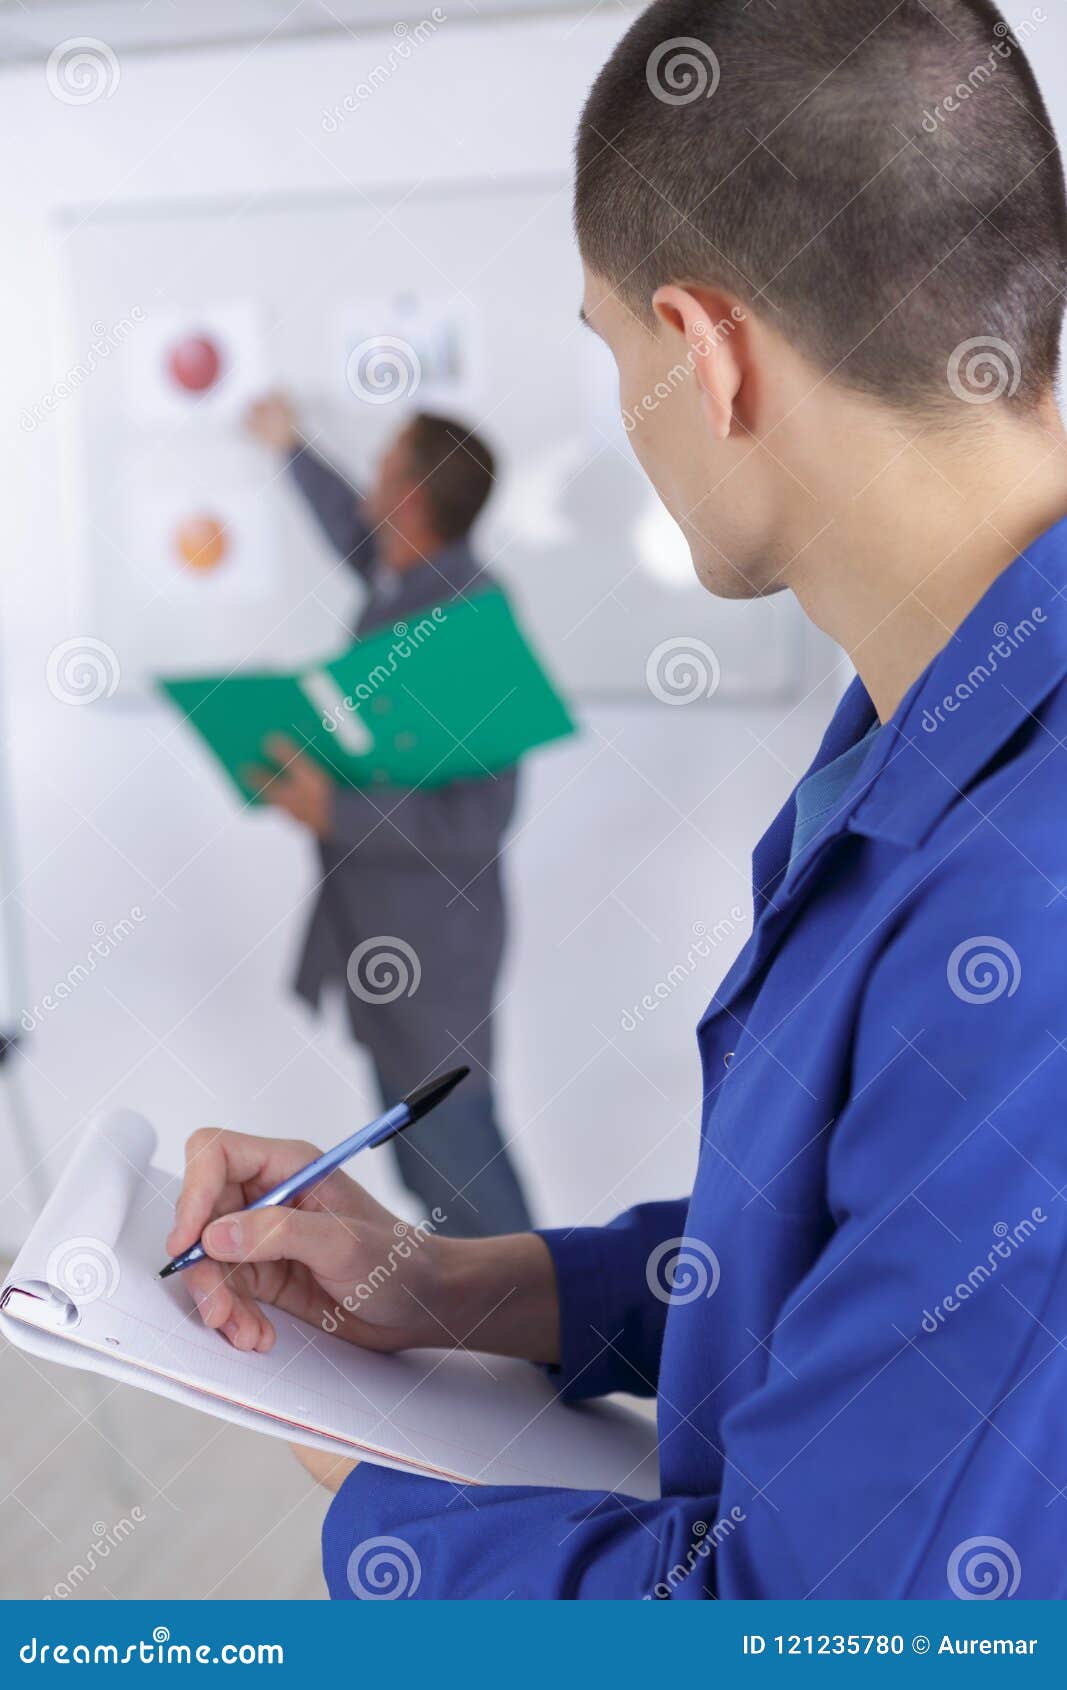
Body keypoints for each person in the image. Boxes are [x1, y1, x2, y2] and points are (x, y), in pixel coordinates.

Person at [171, 0, 1067, 1597]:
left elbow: (784, 1625)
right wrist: (453, 1287)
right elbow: (842, 1275)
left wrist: (360, 1469)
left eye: (608, 351)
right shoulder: (924, 723)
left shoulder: (1023, 902)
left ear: (707, 354)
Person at [243, 398, 532, 1238]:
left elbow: (479, 819)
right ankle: (490, 1347)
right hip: (377, 936)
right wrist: (290, 446)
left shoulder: (469, 621)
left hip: (432, 952)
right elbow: (350, 524)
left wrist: (331, 807)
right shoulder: (402, 575)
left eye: (382, 463)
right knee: (420, 1163)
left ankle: (558, 1354)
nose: (367, 475)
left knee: (458, 1162)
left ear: (406, 496)